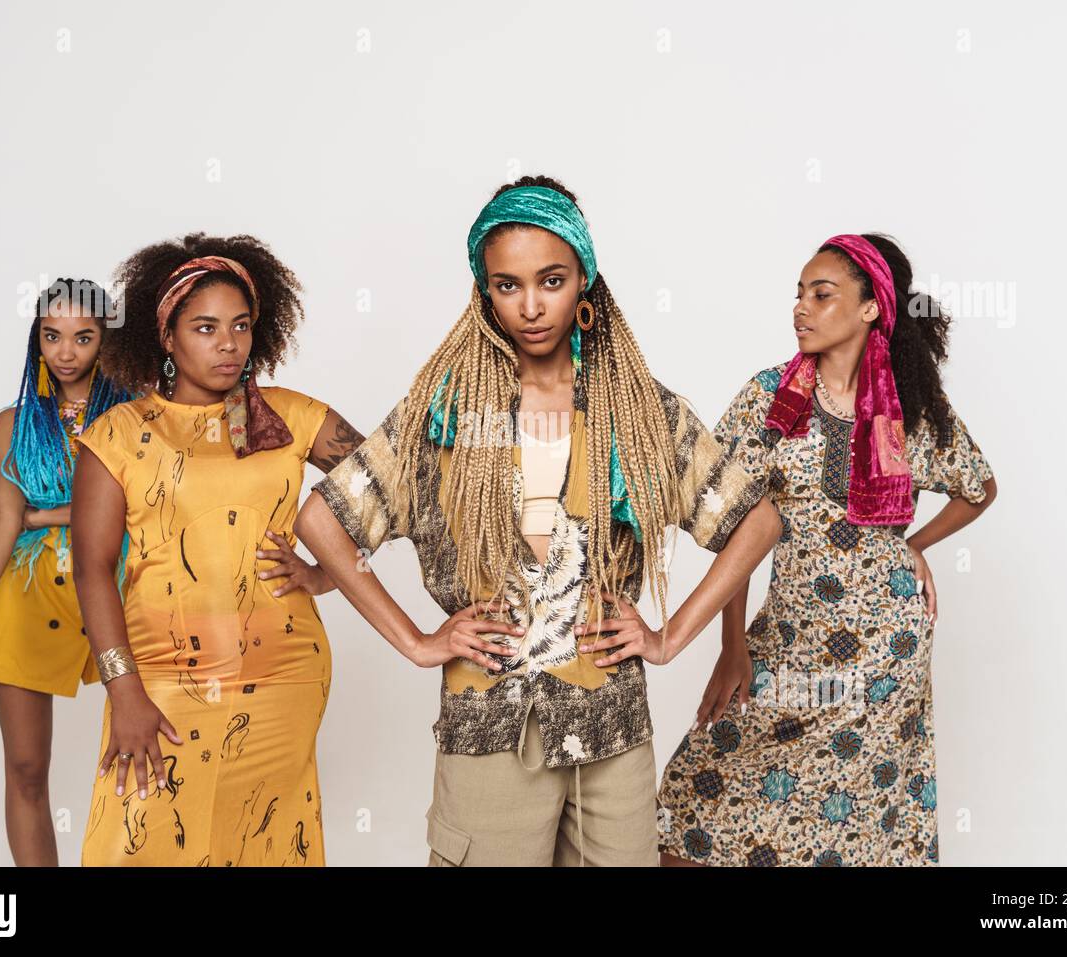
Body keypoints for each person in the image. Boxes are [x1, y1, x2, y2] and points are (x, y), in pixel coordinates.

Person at [298, 176, 780, 866]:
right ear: (483, 290)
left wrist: (668, 637)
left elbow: (754, 522)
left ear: (584, 276)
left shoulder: (635, 408)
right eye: (507, 284)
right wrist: (416, 640)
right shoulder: (449, 412)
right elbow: (323, 518)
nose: (530, 306)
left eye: (551, 280)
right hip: (490, 724)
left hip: (611, 727)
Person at [658, 234, 998, 866]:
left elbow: (978, 487)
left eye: (822, 293)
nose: (801, 307)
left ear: (871, 308)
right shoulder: (769, 396)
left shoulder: (910, 405)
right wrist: (734, 646)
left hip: (885, 653)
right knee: (692, 806)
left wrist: (912, 547)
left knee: (861, 820)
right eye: (798, 293)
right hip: (789, 638)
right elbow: (734, 526)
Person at [70, 235, 363, 865]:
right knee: (140, 840)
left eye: (241, 326)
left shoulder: (290, 418)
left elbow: (397, 487)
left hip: (285, 674)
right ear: (167, 337)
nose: (229, 344)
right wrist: (124, 691)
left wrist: (323, 574)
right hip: (159, 681)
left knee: (264, 840)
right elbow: (92, 571)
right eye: (206, 327)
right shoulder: (117, 434)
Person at [0, 278, 129, 865]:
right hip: (25, 595)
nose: (65, 352)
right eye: (52, 336)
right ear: (36, 340)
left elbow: (142, 506)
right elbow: (1, 520)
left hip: (121, 594)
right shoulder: (12, 424)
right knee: (24, 769)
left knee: (147, 756)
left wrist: (41, 514)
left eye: (83, 337)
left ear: (107, 342)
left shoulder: (136, 414)